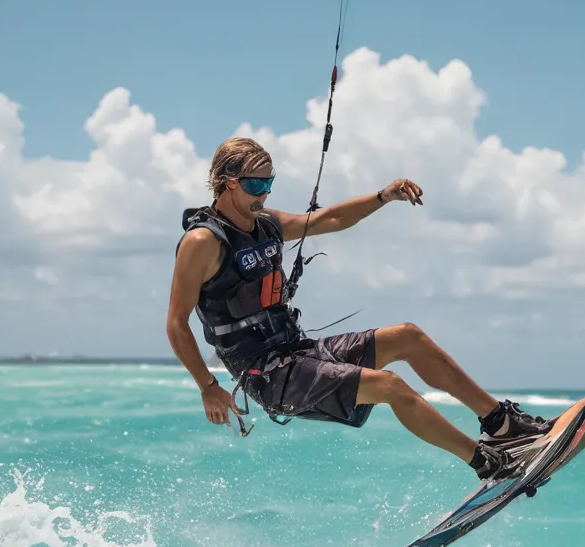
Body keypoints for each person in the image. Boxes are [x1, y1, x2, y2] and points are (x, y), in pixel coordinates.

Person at [166, 137, 557, 483]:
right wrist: (208, 386)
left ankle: (501, 423)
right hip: (266, 376)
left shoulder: (265, 224)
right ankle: (484, 461)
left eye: (270, 183)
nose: (264, 194)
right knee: (390, 385)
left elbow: (328, 219)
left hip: (296, 352)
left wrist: (383, 197)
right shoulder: (203, 241)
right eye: (256, 184)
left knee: (409, 336)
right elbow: (176, 323)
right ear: (228, 182)